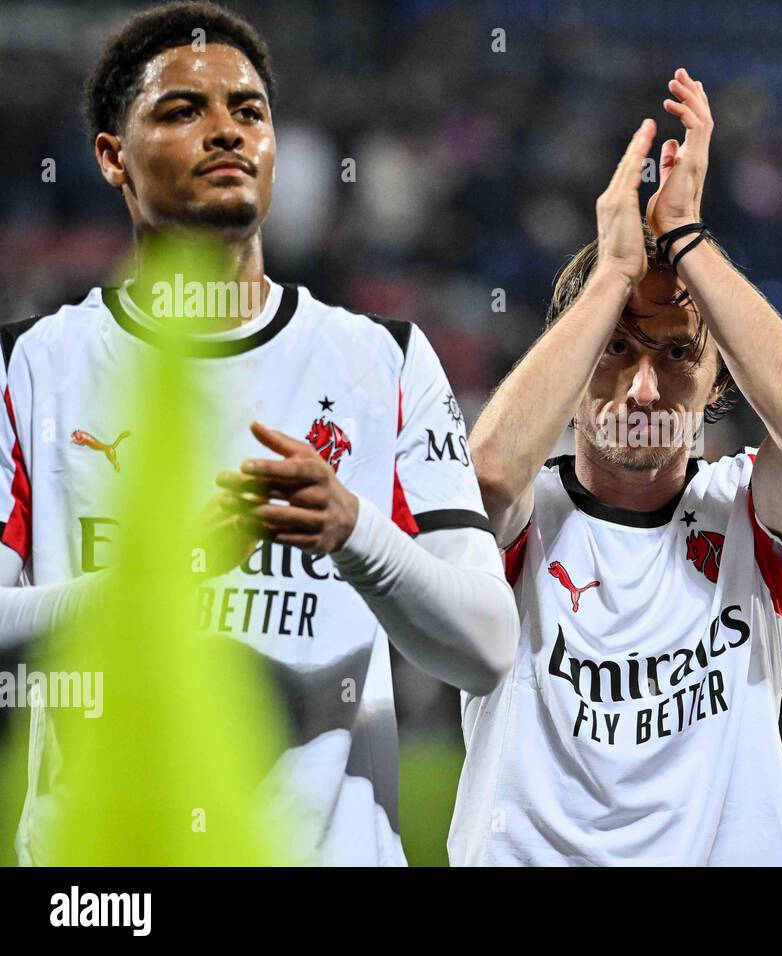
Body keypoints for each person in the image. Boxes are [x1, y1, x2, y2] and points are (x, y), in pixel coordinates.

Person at [1, 0, 517, 866]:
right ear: (111, 157)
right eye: (181, 110)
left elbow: (488, 647)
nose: (226, 132)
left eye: (248, 110)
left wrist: (354, 533)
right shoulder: (30, 368)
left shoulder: (382, 360)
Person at [449, 69, 782, 865]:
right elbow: (484, 479)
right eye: (615, 348)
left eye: (676, 355)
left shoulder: (744, 515)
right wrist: (612, 280)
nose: (642, 387)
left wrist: (688, 238)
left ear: (718, 379)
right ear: (576, 354)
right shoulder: (526, 519)